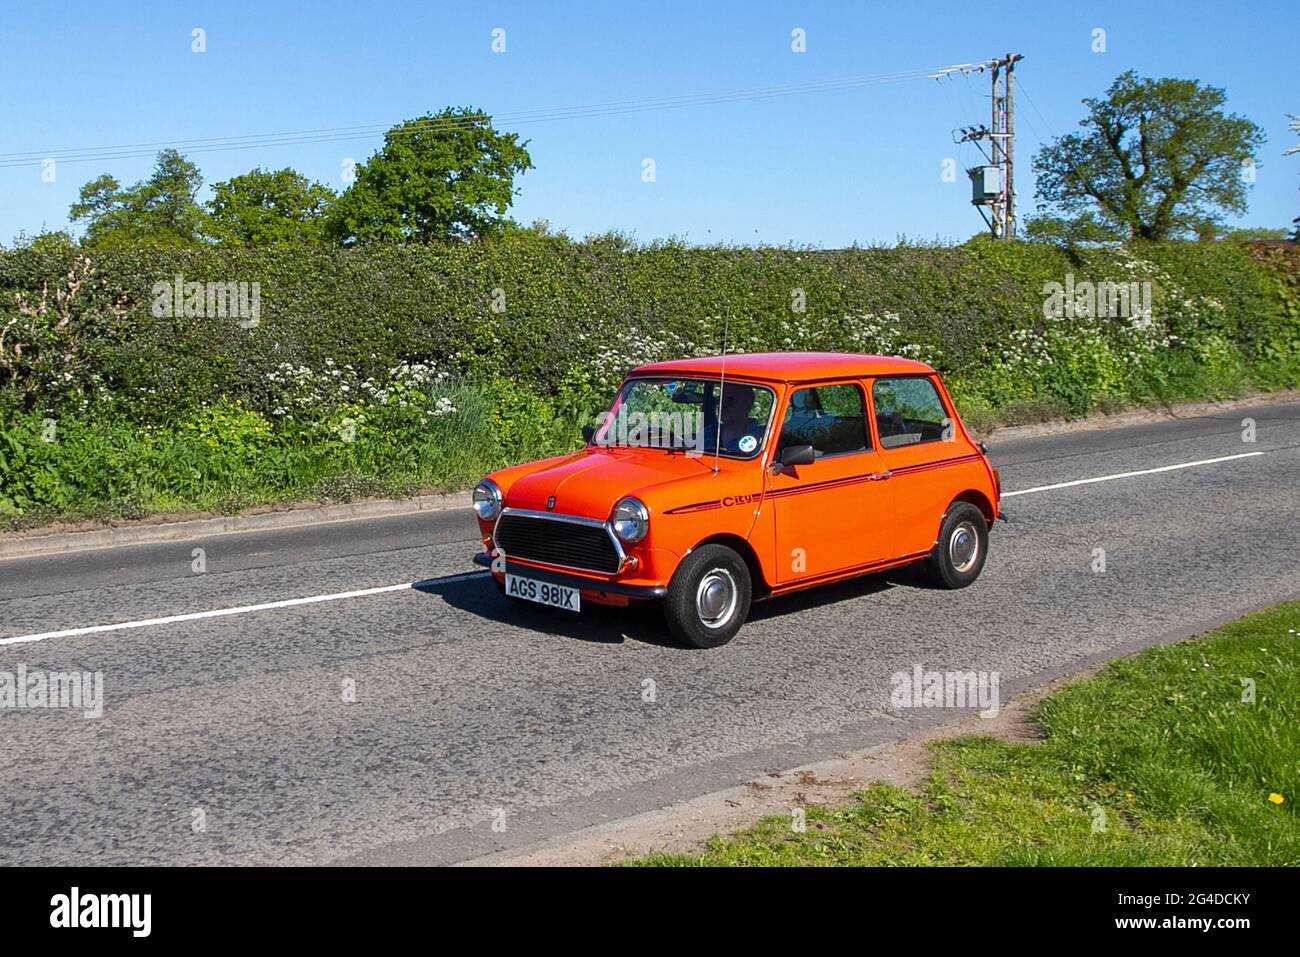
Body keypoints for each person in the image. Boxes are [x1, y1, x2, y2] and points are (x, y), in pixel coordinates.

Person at [700, 383, 765, 455]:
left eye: (729, 401)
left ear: (747, 402)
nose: (722, 405)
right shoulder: (709, 433)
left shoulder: (762, 438)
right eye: (720, 400)